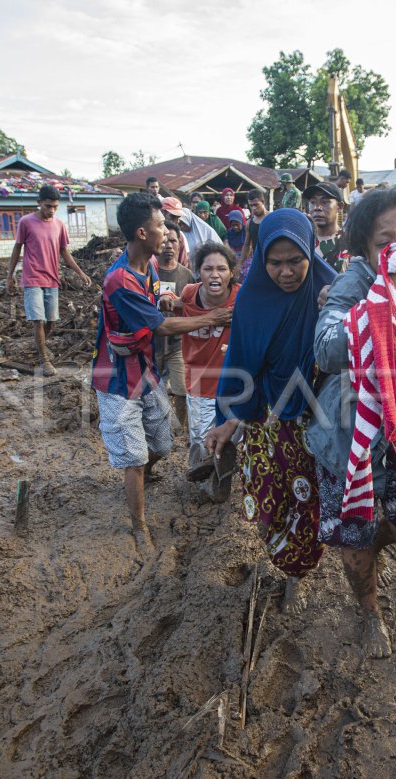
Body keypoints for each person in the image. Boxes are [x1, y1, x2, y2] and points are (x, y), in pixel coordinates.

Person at [308, 188, 396, 657]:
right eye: (384, 240)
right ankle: (369, 613)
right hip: (352, 433)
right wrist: (386, 299)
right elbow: (326, 350)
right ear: (366, 251)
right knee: (354, 529)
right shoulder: (355, 283)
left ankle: (375, 547)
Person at [205, 209, 337, 613]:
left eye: (294, 260)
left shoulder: (330, 287)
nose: (285, 272)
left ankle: (297, 575)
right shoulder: (250, 297)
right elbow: (242, 362)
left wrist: (334, 308)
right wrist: (229, 417)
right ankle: (280, 557)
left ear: (310, 253)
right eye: (274, 262)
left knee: (308, 501)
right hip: (266, 419)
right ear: (260, 258)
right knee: (269, 495)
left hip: (318, 418)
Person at [91, 192, 232, 555]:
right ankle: (138, 523)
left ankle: (137, 472)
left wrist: (164, 300)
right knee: (134, 457)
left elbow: (156, 304)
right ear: (141, 232)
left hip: (145, 371)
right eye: (159, 226)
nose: (166, 232)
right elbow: (161, 327)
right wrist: (212, 318)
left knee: (164, 443)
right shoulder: (119, 280)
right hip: (117, 378)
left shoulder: (147, 266)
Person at [6, 184, 92, 375]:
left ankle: (41, 347)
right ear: (39, 203)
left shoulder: (59, 225)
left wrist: (80, 272)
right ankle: (44, 360)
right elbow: (17, 248)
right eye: (47, 206)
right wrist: (10, 275)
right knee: (38, 320)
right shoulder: (26, 222)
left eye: (54, 206)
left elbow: (64, 252)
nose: (51, 210)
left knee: (51, 321)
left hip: (52, 279)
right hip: (32, 278)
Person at [180, 242, 240, 501]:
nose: (215, 274)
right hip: (199, 380)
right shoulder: (187, 295)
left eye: (221, 268)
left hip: (234, 382)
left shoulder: (243, 297)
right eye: (208, 269)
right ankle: (202, 479)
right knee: (200, 438)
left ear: (231, 273)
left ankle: (220, 482)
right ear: (198, 272)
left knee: (230, 438)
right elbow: (170, 306)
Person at [154, 220, 195, 434]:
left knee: (180, 389)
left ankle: (178, 429)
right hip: (151, 343)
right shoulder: (148, 271)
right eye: (165, 240)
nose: (169, 245)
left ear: (179, 244)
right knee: (150, 388)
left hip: (178, 342)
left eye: (173, 241)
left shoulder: (186, 275)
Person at [303, 181, 348, 273]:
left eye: (325, 202)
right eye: (312, 202)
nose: (317, 207)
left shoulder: (351, 244)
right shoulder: (303, 241)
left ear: (339, 206)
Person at [163, 196, 221, 264]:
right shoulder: (178, 233)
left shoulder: (206, 231)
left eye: (178, 218)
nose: (178, 223)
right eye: (173, 216)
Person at [239, 187, 269, 267]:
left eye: (256, 205)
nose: (253, 208)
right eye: (251, 205)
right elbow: (247, 245)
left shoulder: (272, 218)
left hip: (273, 260)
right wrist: (240, 264)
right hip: (258, 261)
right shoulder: (249, 223)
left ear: (263, 202)